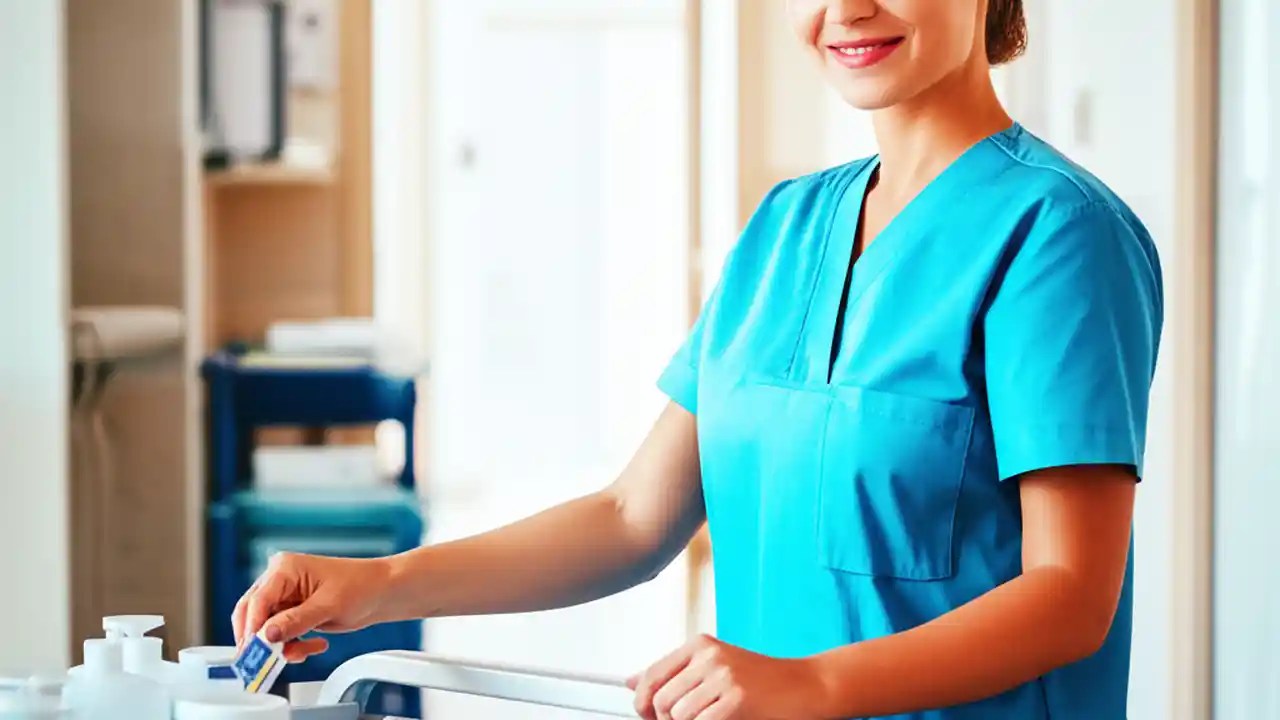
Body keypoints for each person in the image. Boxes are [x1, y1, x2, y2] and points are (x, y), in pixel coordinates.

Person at [233, 1, 1163, 717]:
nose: (847, 6)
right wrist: (381, 583)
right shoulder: (783, 229)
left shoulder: (1059, 236)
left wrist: (812, 685)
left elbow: (1070, 594)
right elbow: (634, 518)